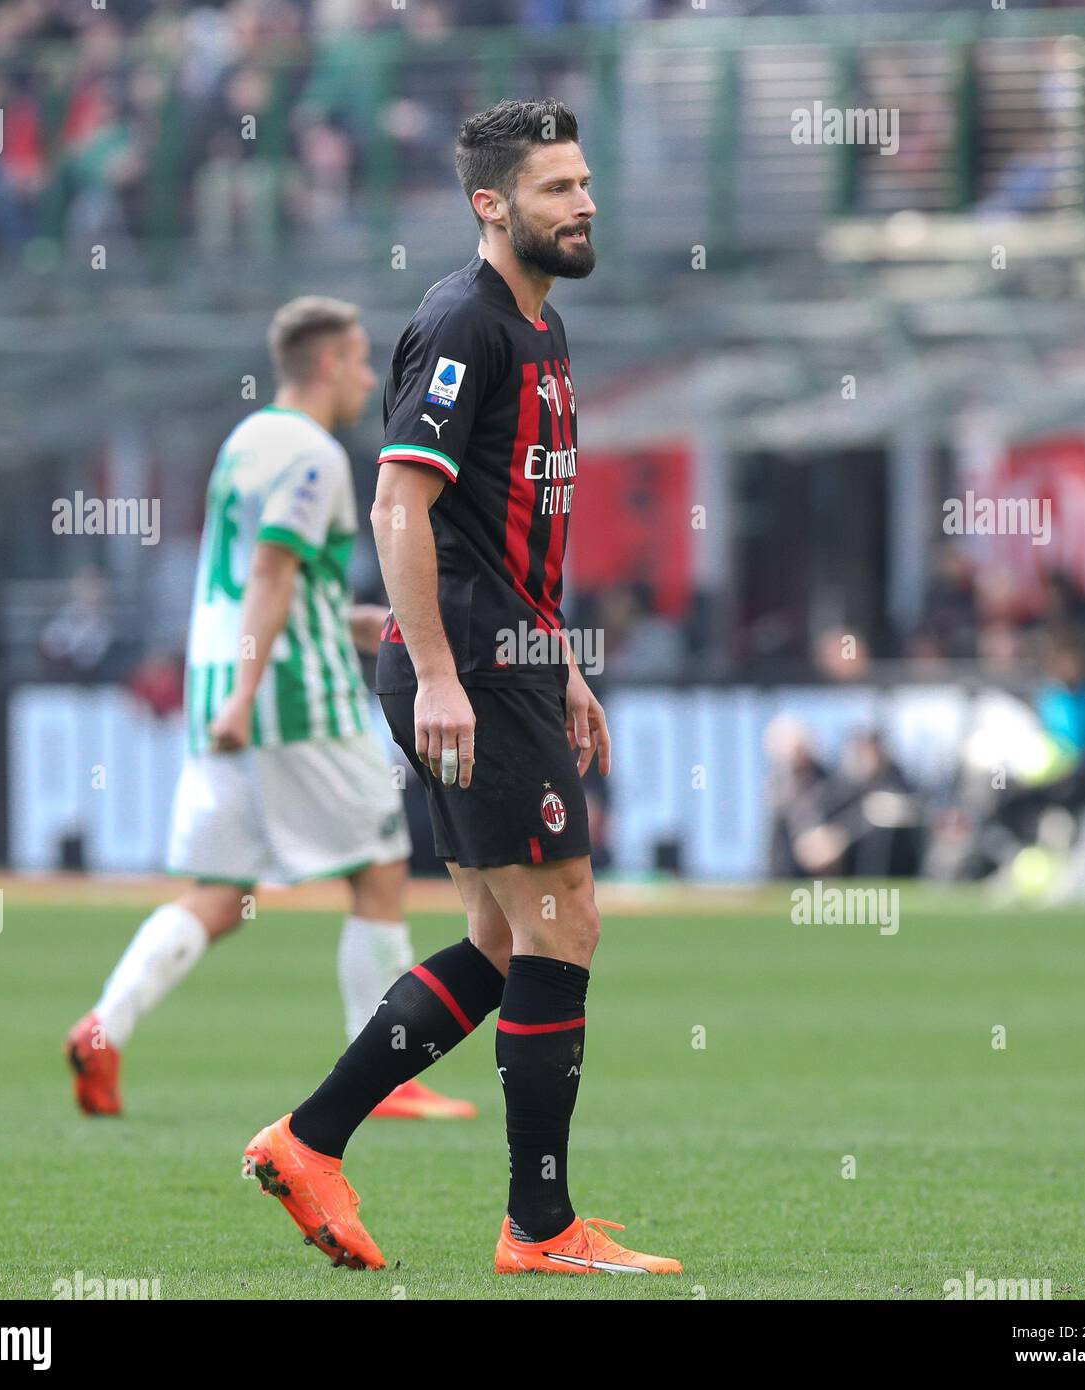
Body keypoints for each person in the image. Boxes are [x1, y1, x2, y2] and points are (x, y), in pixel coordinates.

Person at [244, 99, 682, 1276]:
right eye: (555, 188)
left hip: (509, 660)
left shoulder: (544, 333)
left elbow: (509, 530)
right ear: (492, 205)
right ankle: (538, 1227)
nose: (582, 202)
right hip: (467, 670)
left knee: (498, 939)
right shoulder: (460, 325)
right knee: (564, 920)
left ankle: (310, 1137)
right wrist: (440, 672)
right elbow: (400, 505)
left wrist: (567, 662)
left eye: (585, 182)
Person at [64, 296, 474, 1125]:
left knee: (216, 894)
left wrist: (342, 633)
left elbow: (279, 579)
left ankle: (106, 1028)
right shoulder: (317, 456)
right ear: (326, 365)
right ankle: (386, 1070)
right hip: (292, 701)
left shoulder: (243, 444)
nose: (370, 378)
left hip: (219, 689)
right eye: (362, 362)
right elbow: (272, 576)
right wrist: (254, 694)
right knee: (382, 868)